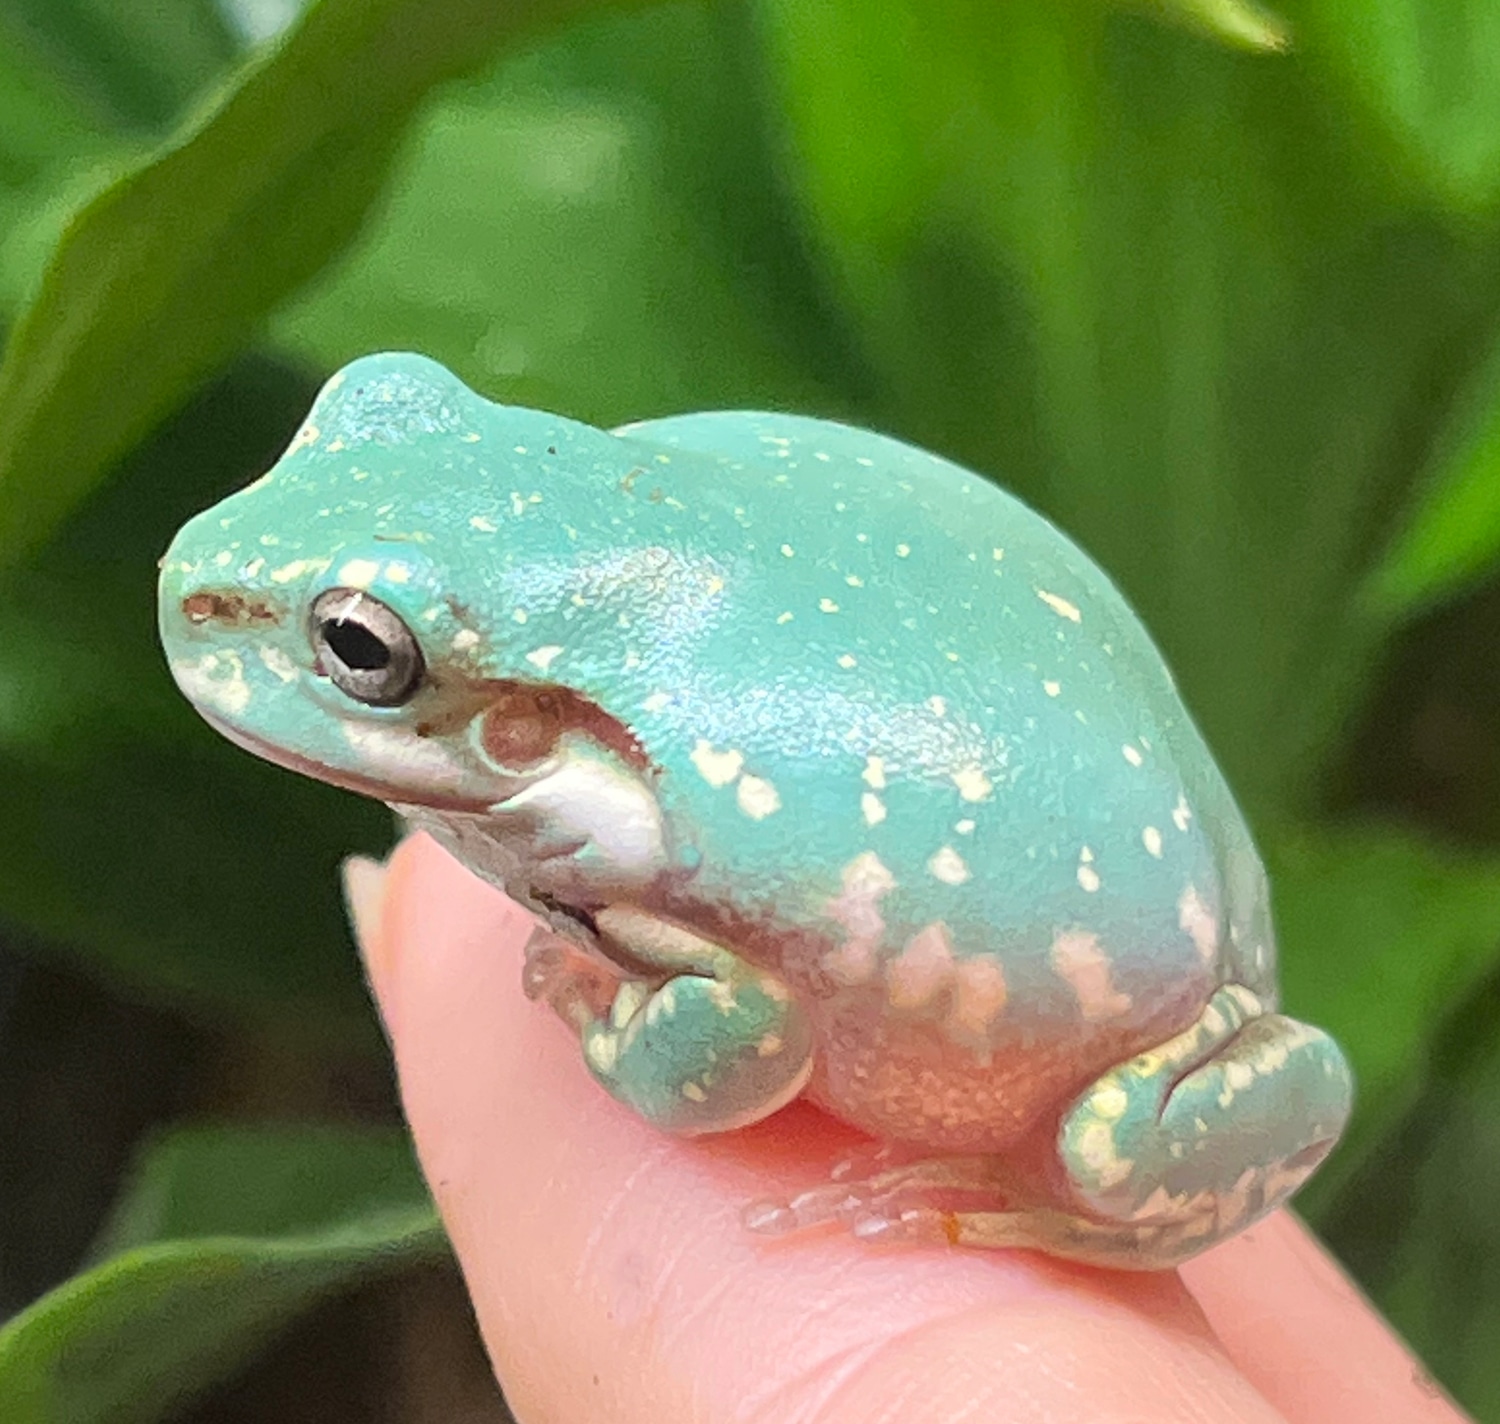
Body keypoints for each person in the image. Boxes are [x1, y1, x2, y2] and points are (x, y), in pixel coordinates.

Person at [346, 835, 1469, 1424]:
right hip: (1140, 919)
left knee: (1110, 1150)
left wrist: (605, 1011)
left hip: (1143, 1053)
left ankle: (1087, 1207)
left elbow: (747, 1036)